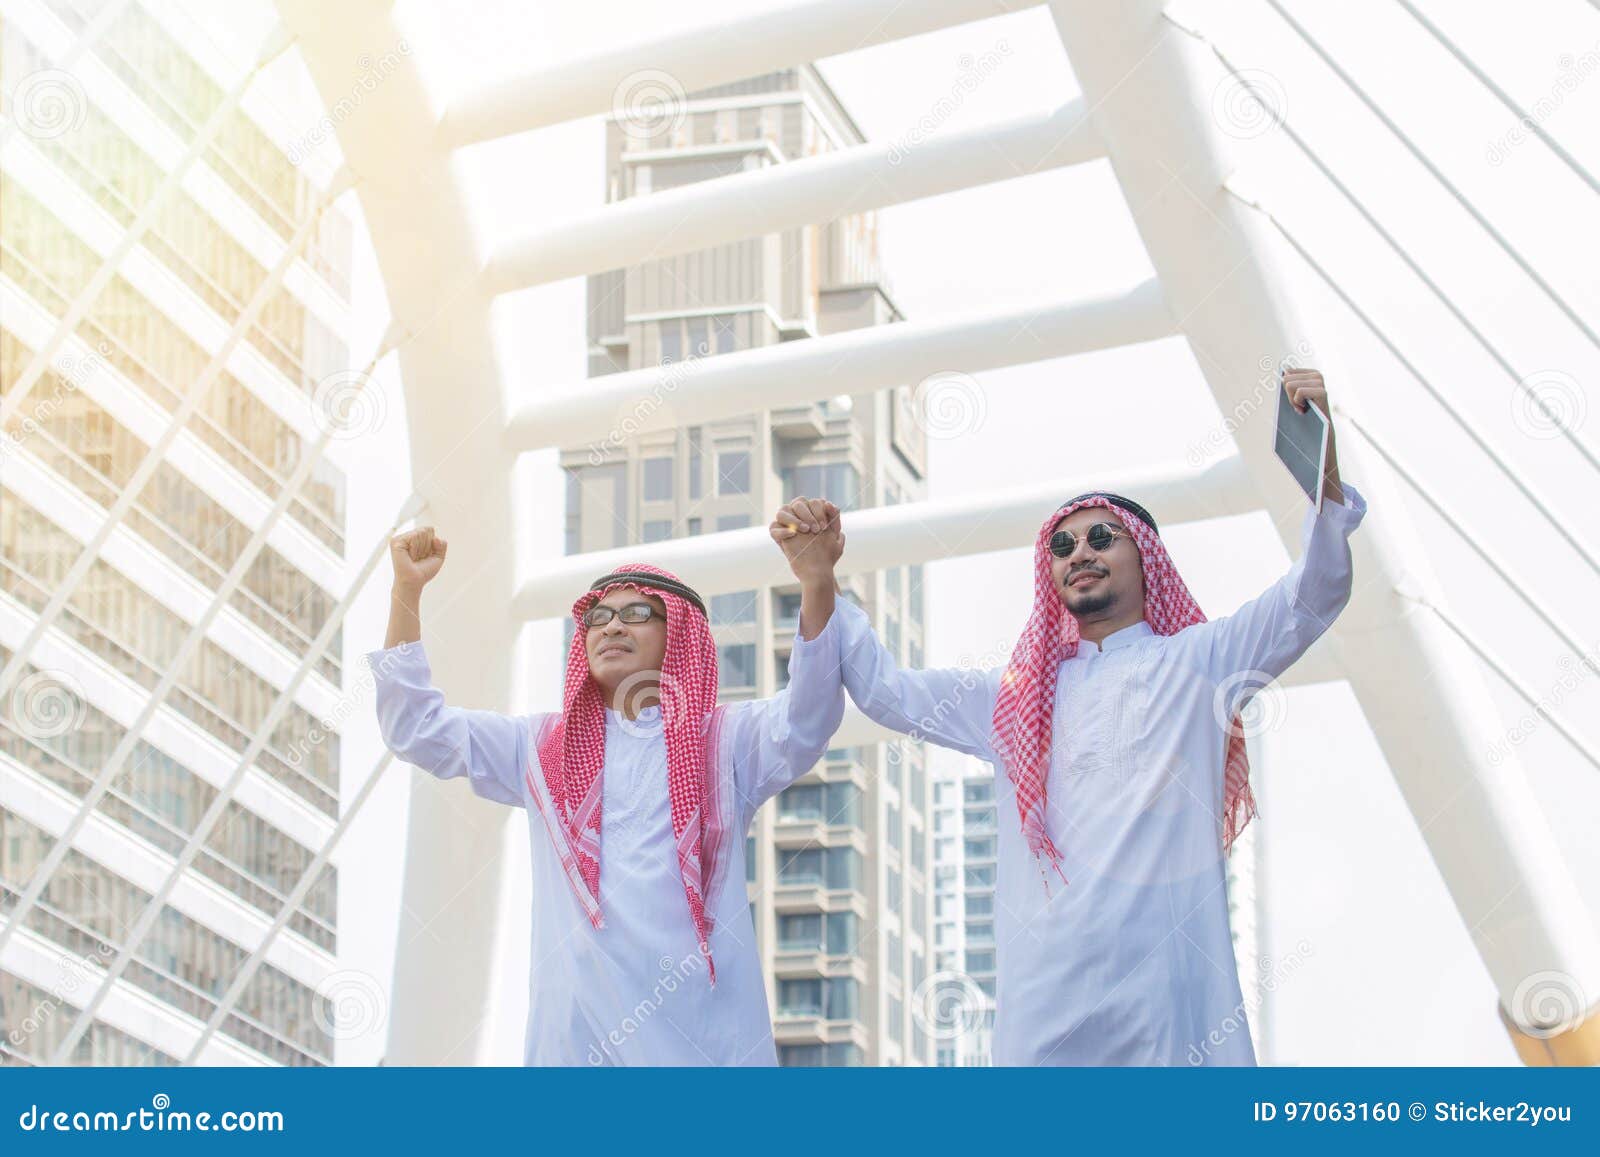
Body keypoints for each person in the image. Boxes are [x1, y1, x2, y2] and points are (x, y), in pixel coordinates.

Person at [776, 369, 1367, 1065]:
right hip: (1046, 1003)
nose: (1080, 552)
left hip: (1169, 999)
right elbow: (881, 689)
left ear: (1147, 561)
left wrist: (1321, 469)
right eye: (1063, 545)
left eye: (1102, 538)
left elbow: (1315, 593)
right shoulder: (1012, 701)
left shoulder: (1200, 663)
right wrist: (820, 578)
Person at [368, 497, 845, 1065]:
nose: (613, 625)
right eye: (599, 615)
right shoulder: (539, 750)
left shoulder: (725, 743)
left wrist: (816, 581)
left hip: (703, 1050)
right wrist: (407, 593)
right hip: (576, 1052)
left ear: (681, 637)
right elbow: (415, 729)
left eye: (638, 613)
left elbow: (809, 717)